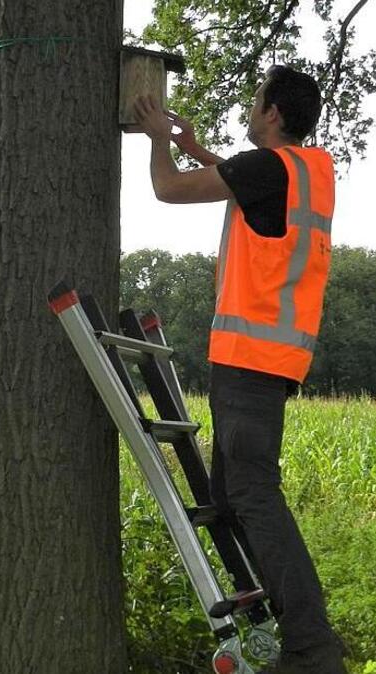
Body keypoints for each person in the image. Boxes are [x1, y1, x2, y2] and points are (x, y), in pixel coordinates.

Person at [131, 66, 346, 674]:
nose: (251, 113)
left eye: (256, 104)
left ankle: (312, 649)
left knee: (253, 492)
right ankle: (282, 622)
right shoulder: (308, 170)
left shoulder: (266, 171)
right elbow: (246, 182)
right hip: (273, 357)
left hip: (248, 360)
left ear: (273, 112)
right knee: (229, 496)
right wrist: (192, 145)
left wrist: (155, 139)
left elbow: (168, 191)